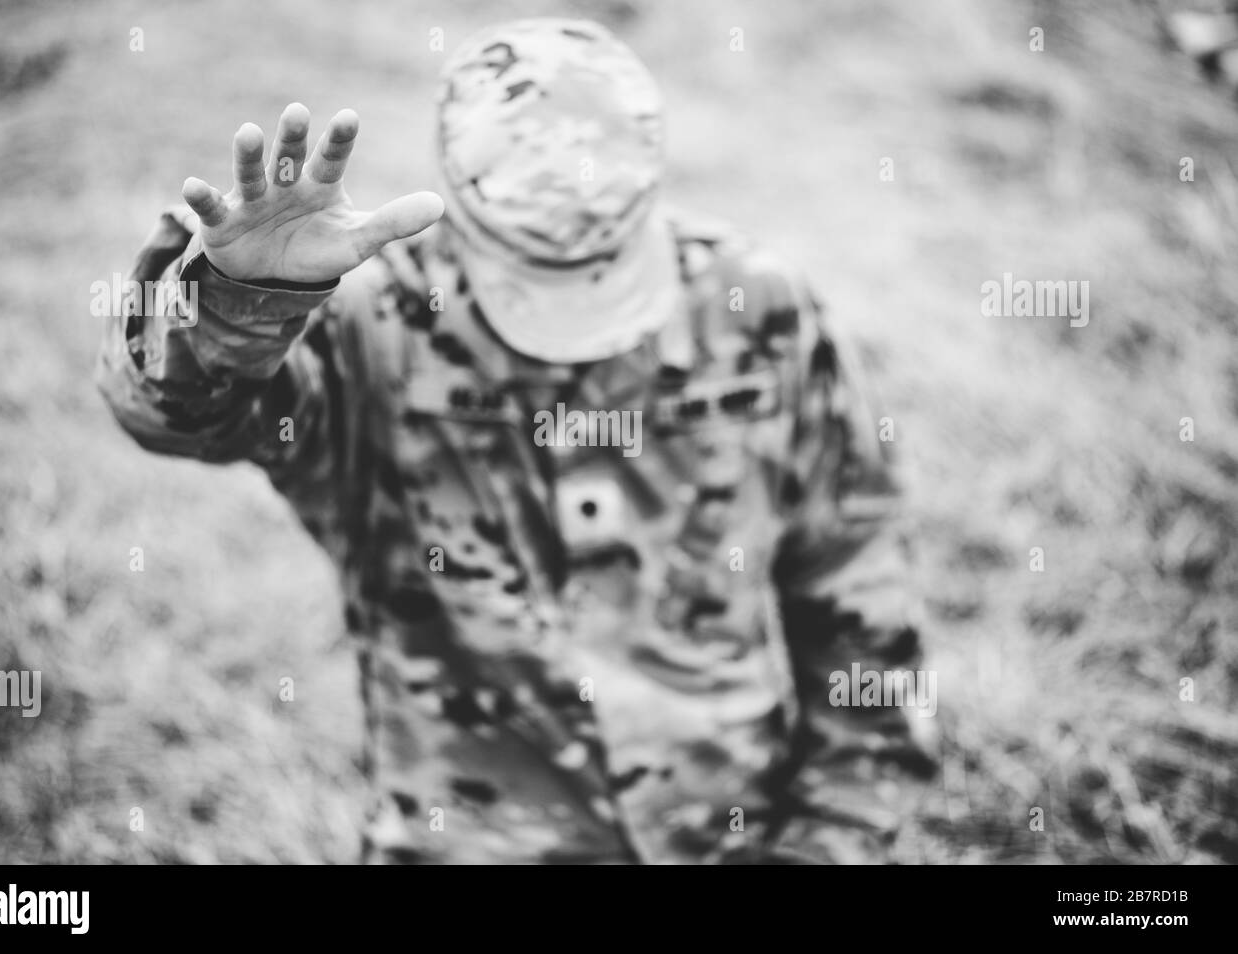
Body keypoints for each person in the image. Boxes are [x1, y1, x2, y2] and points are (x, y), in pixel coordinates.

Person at [97, 17, 936, 864]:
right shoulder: (370, 328)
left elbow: (856, 586)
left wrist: (833, 838)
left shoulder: (761, 312)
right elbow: (176, 419)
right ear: (461, 213)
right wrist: (240, 304)